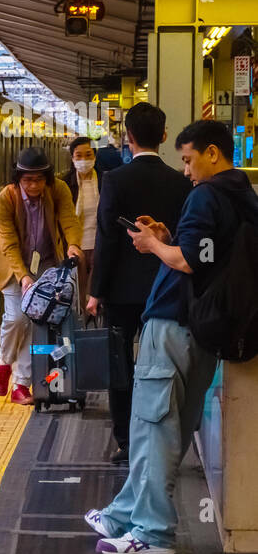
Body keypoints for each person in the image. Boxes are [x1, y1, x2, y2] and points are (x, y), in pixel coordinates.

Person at [86, 120, 258, 554]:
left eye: (188, 159)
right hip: (205, 330)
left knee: (151, 428)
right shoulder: (244, 198)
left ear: (213, 154)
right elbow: (210, 253)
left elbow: (192, 263)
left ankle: (152, 532)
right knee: (170, 428)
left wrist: (152, 245)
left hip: (173, 326)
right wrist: (168, 237)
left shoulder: (206, 194)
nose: (185, 170)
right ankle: (124, 513)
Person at [85, 102, 191, 464]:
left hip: (120, 291)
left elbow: (107, 239)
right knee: (161, 366)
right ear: (163, 136)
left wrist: (96, 291)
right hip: (166, 289)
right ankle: (160, 438)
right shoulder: (180, 181)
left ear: (127, 137)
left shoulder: (114, 180)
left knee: (121, 365)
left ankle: (127, 442)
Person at [0, 147, 84, 405]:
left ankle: (21, 385)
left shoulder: (59, 189)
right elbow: (7, 242)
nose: (34, 185)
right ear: (18, 178)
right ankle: (4, 363)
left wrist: (74, 244)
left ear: (48, 178)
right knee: (17, 319)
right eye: (28, 179)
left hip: (47, 265)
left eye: (39, 179)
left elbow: (69, 220)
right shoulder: (5, 199)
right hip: (13, 266)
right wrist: (23, 277)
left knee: (37, 322)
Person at [62, 136, 102, 311]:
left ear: (95, 156)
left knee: (96, 294)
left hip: (100, 244)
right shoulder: (65, 184)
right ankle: (81, 331)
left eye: (88, 154)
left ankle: (96, 330)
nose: (84, 160)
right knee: (77, 297)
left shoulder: (106, 181)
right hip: (75, 247)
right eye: (78, 156)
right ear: (72, 158)